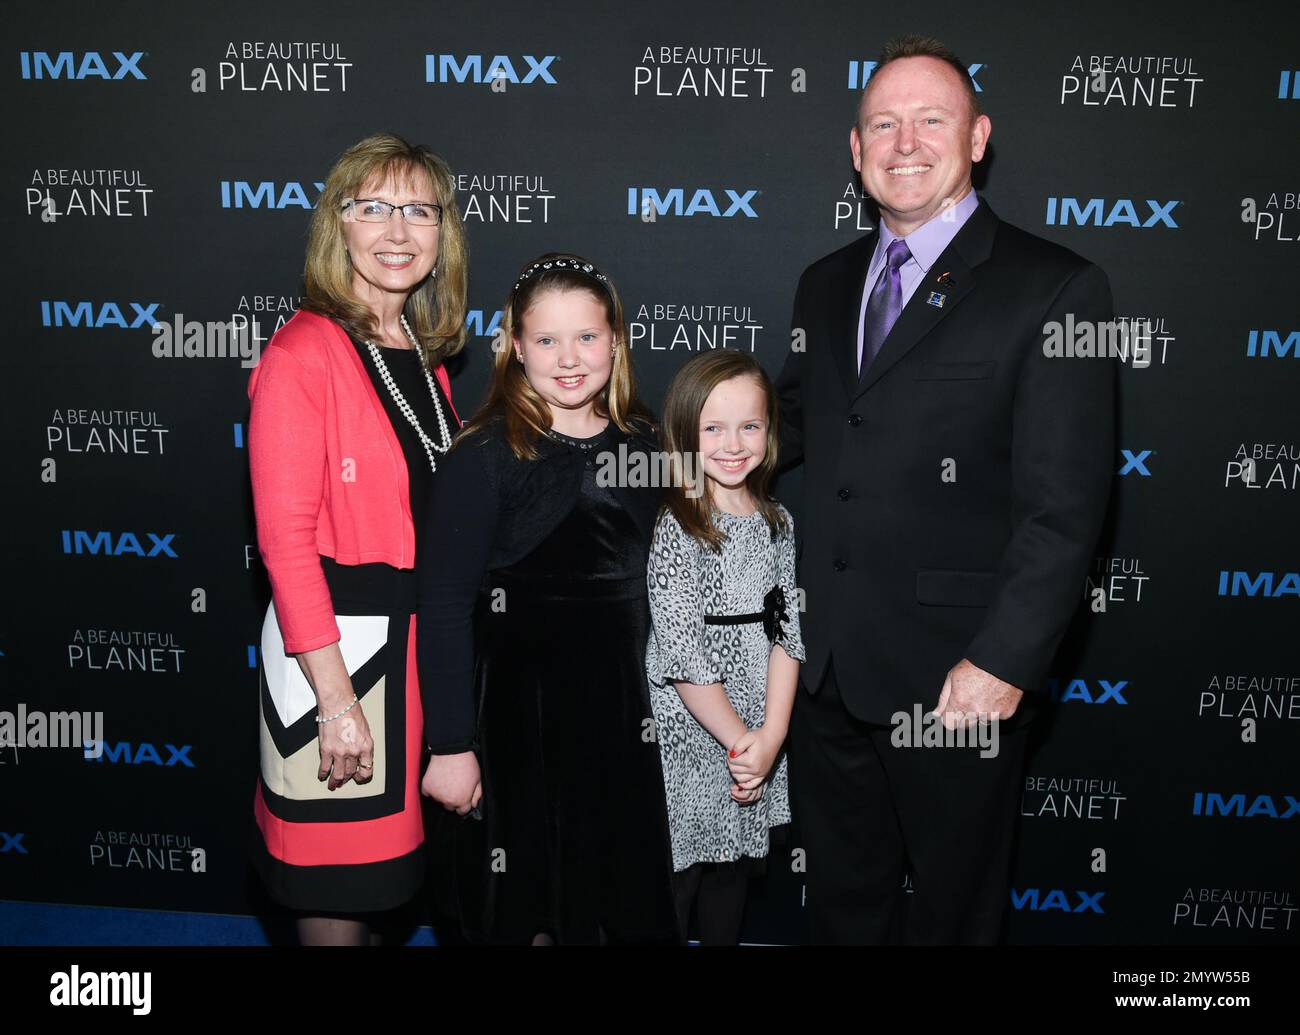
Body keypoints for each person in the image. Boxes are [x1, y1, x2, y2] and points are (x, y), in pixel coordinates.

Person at [775, 35, 1116, 944]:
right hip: (827, 671)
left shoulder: (1054, 289)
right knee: (844, 911)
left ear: (978, 139)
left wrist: (1004, 661)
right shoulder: (824, 284)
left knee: (958, 920)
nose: (905, 142)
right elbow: (793, 430)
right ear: (855, 150)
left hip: (958, 680)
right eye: (882, 123)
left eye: (932, 120)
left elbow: (1065, 507)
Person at [416, 253, 680, 945]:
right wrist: (449, 745)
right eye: (546, 340)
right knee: (525, 908)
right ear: (514, 345)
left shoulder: (646, 442)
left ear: (616, 341)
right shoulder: (483, 455)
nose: (569, 358)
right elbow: (442, 604)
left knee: (619, 903)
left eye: (587, 337)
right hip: (515, 727)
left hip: (627, 722)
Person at [246, 133, 468, 945]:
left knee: (383, 892)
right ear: (337, 225)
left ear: (444, 232)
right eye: (374, 207)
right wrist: (336, 701)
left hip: (409, 657)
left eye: (419, 210)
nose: (398, 230)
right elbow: (285, 543)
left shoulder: (426, 357)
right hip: (334, 657)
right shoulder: (304, 350)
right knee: (334, 902)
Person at [645, 350, 804, 945]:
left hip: (759, 728)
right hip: (692, 727)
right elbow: (682, 653)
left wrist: (772, 738)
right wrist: (743, 743)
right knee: (681, 874)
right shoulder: (678, 523)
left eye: (749, 425)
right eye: (713, 427)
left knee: (734, 870)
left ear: (770, 430)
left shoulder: (779, 522)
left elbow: (789, 636)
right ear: (685, 433)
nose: (733, 443)